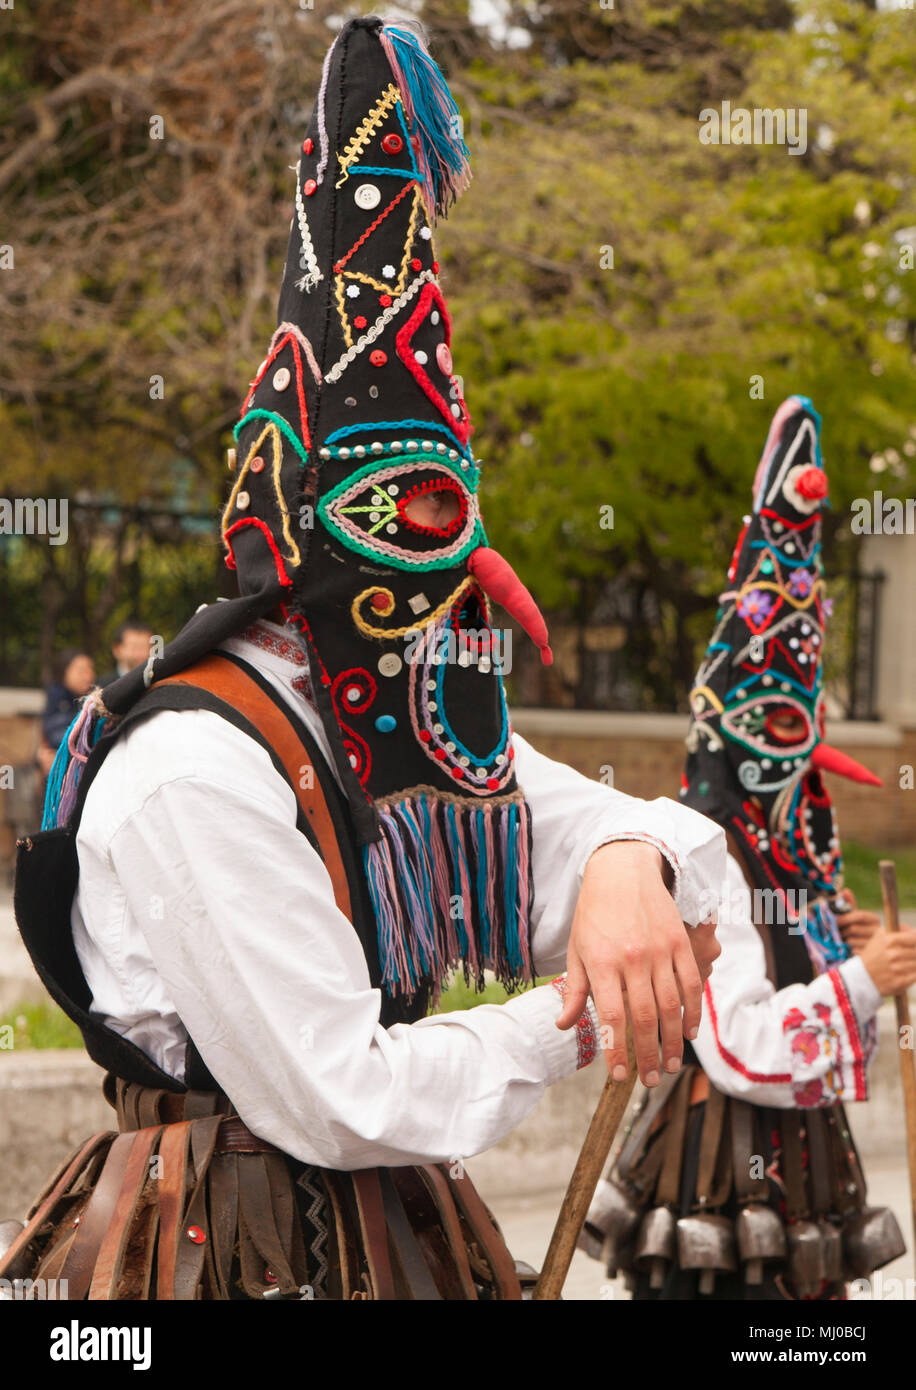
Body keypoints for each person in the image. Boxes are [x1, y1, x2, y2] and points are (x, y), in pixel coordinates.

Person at [1, 17, 722, 1301]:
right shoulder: (191, 773)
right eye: (407, 520)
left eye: (455, 520)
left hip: (401, 1245)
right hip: (214, 1257)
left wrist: (628, 861)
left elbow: (680, 859)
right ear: (290, 526)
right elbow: (341, 1096)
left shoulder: (386, 722)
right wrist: (575, 1014)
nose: (442, 571)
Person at [583, 396, 916, 1300]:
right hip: (723, 1179)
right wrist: (861, 980)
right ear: (721, 729)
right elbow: (739, 1044)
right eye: (774, 723)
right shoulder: (715, 857)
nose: (794, 754)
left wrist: (837, 945)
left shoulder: (792, 853)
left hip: (799, 1175)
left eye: (802, 725)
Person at [35, 648, 95, 780]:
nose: (87, 676)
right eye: (80, 671)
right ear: (64, 672)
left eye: (90, 670)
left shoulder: (92, 699)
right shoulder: (57, 697)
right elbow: (62, 738)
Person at [95, 617, 154, 688]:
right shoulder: (101, 687)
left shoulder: (159, 682)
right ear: (116, 650)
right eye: (135, 647)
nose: (141, 654)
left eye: (146, 647)